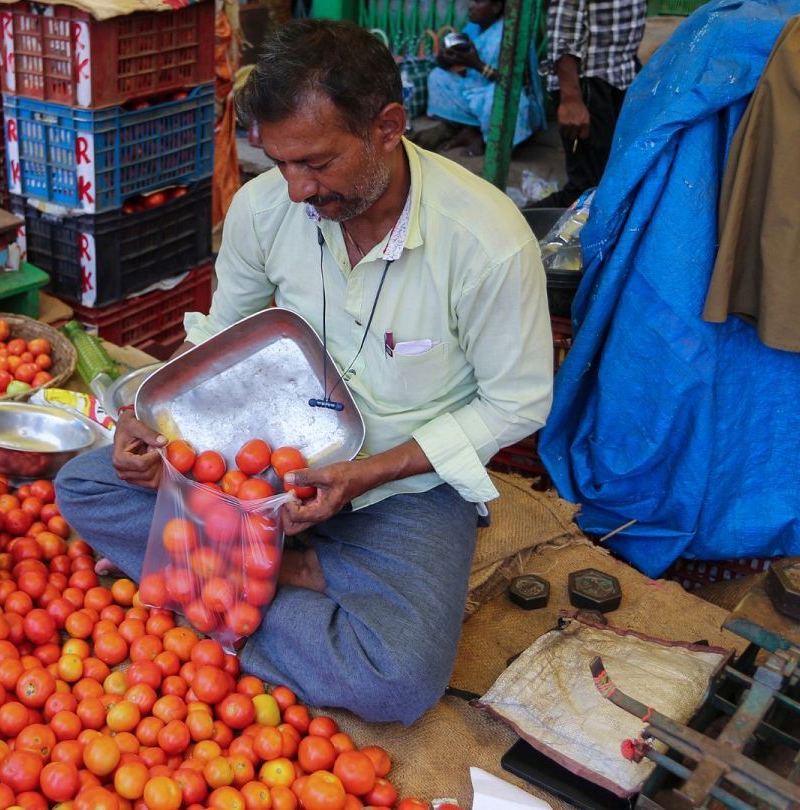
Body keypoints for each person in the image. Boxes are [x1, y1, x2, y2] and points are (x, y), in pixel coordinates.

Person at [55, 20, 553, 724]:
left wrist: (369, 473)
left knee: (399, 680)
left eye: (316, 163)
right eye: (280, 162)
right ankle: (285, 572)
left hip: (403, 482)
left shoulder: (486, 243)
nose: (295, 189)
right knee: (83, 486)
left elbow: (516, 404)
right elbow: (220, 338)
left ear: (388, 127)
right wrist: (150, 426)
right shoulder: (265, 208)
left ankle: (236, 571)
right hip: (259, 453)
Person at [530, 0, 646, 207]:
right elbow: (565, 26)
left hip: (620, 76)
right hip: (587, 83)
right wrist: (571, 99)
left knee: (608, 180)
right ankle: (517, 223)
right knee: (586, 189)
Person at [421, 0, 544, 157]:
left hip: (495, 93)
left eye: (478, 1)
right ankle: (471, 129)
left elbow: (514, 83)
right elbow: (456, 66)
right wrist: (444, 58)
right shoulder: (473, 28)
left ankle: (484, 138)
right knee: (437, 77)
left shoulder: (510, 33)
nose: (471, 6)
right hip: (475, 91)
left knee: (500, 98)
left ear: (496, 6)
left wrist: (477, 64)